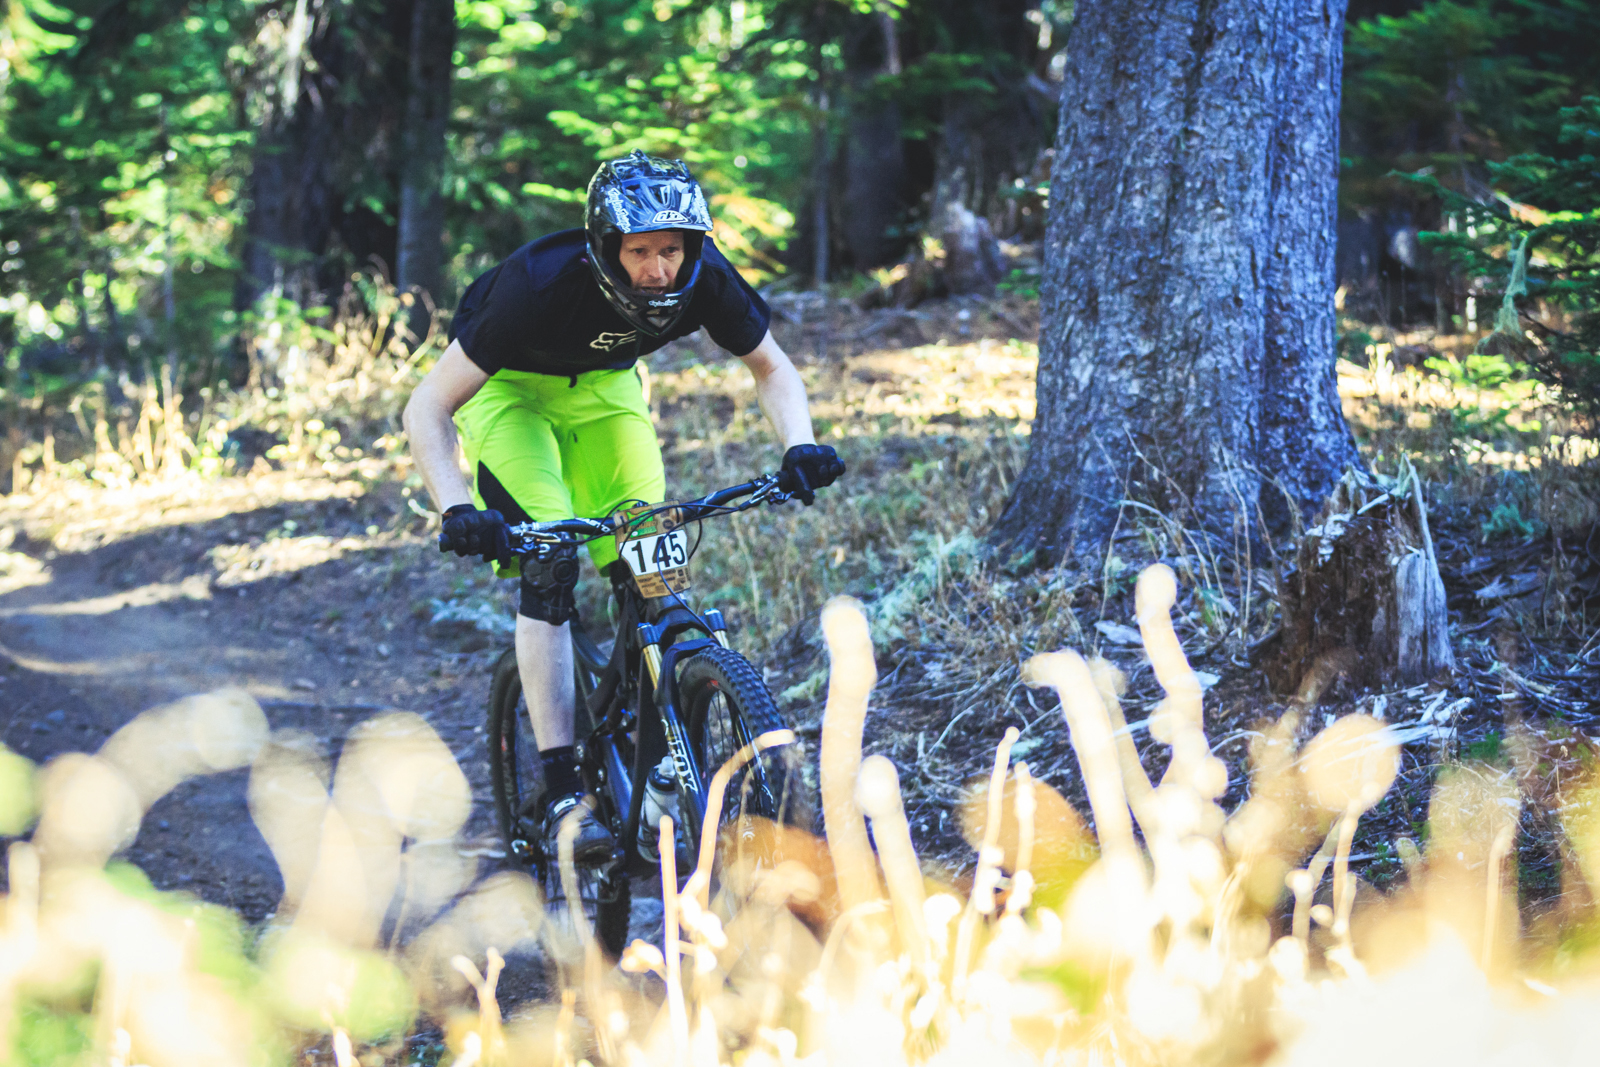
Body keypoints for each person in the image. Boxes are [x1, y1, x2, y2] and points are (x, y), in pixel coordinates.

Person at [403, 151, 844, 864]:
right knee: (549, 562)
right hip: (508, 393)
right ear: (606, 247)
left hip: (608, 392)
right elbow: (427, 405)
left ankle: (662, 739)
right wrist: (456, 506)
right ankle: (560, 791)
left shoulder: (704, 278)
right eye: (639, 252)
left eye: (670, 250)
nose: (659, 270)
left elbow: (773, 367)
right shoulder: (536, 285)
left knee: (652, 560)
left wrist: (801, 446)